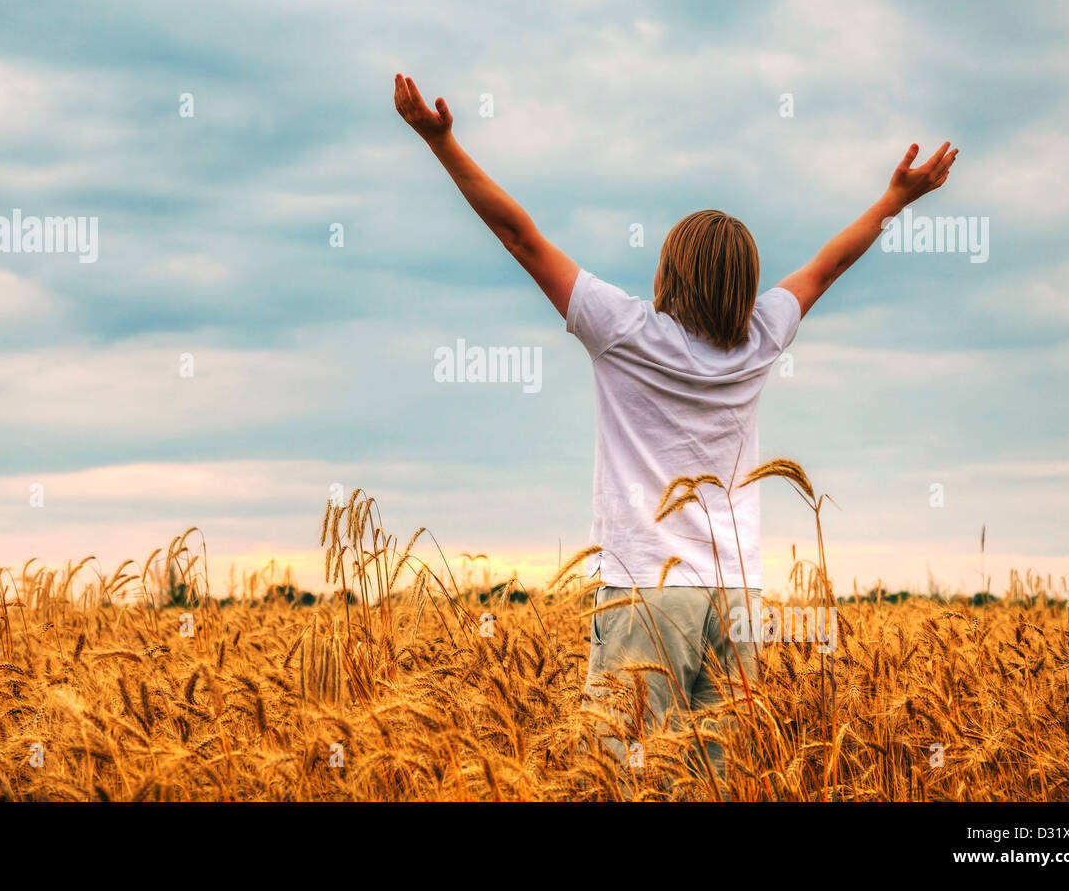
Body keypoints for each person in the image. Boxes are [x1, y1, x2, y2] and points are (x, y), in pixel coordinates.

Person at [393, 72, 957, 789]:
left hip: (645, 598)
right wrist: (898, 198)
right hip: (739, 599)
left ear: (669, 273)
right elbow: (830, 263)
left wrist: (441, 143)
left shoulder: (626, 333)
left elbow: (520, 236)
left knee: (623, 780)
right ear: (745, 285)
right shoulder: (761, 337)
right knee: (721, 784)